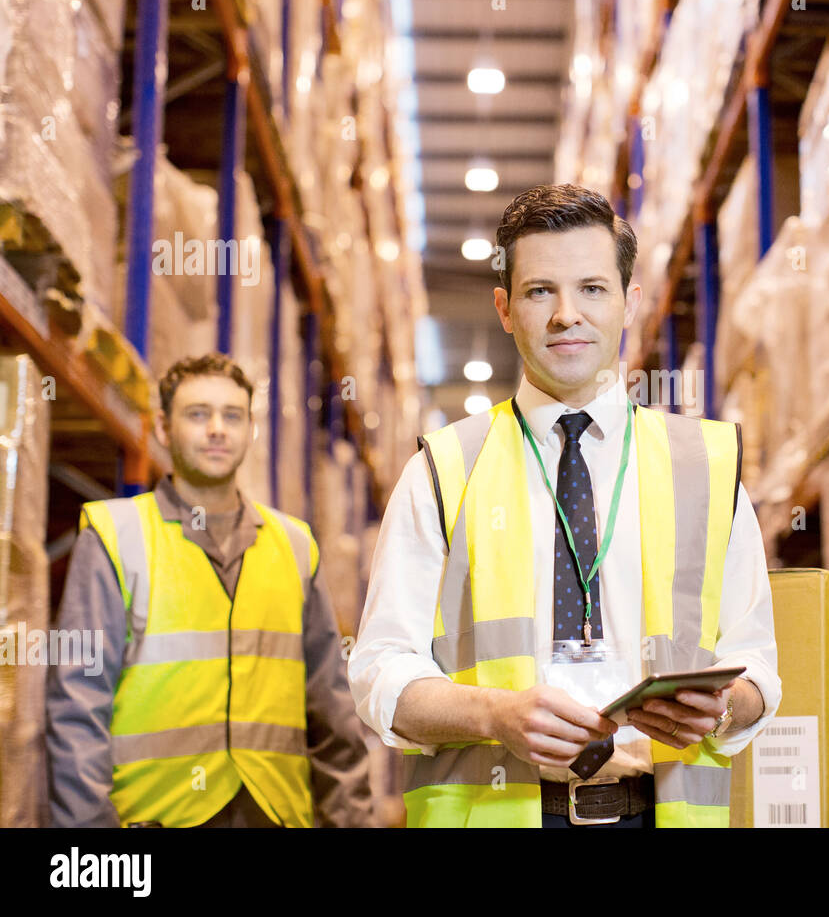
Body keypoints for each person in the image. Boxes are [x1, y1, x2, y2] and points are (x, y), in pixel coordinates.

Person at [349, 183, 780, 828]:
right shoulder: (441, 470)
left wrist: (722, 709)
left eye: (593, 289)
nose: (565, 315)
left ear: (630, 303)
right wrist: (493, 714)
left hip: (661, 813)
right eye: (539, 291)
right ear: (504, 307)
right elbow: (379, 673)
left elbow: (761, 671)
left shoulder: (706, 467)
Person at [46, 354, 374, 827]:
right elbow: (78, 705)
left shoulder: (295, 545)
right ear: (162, 427)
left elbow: (334, 715)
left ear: (250, 431)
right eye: (198, 414)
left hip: (274, 815)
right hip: (154, 821)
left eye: (233, 416)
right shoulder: (115, 535)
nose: (217, 429)